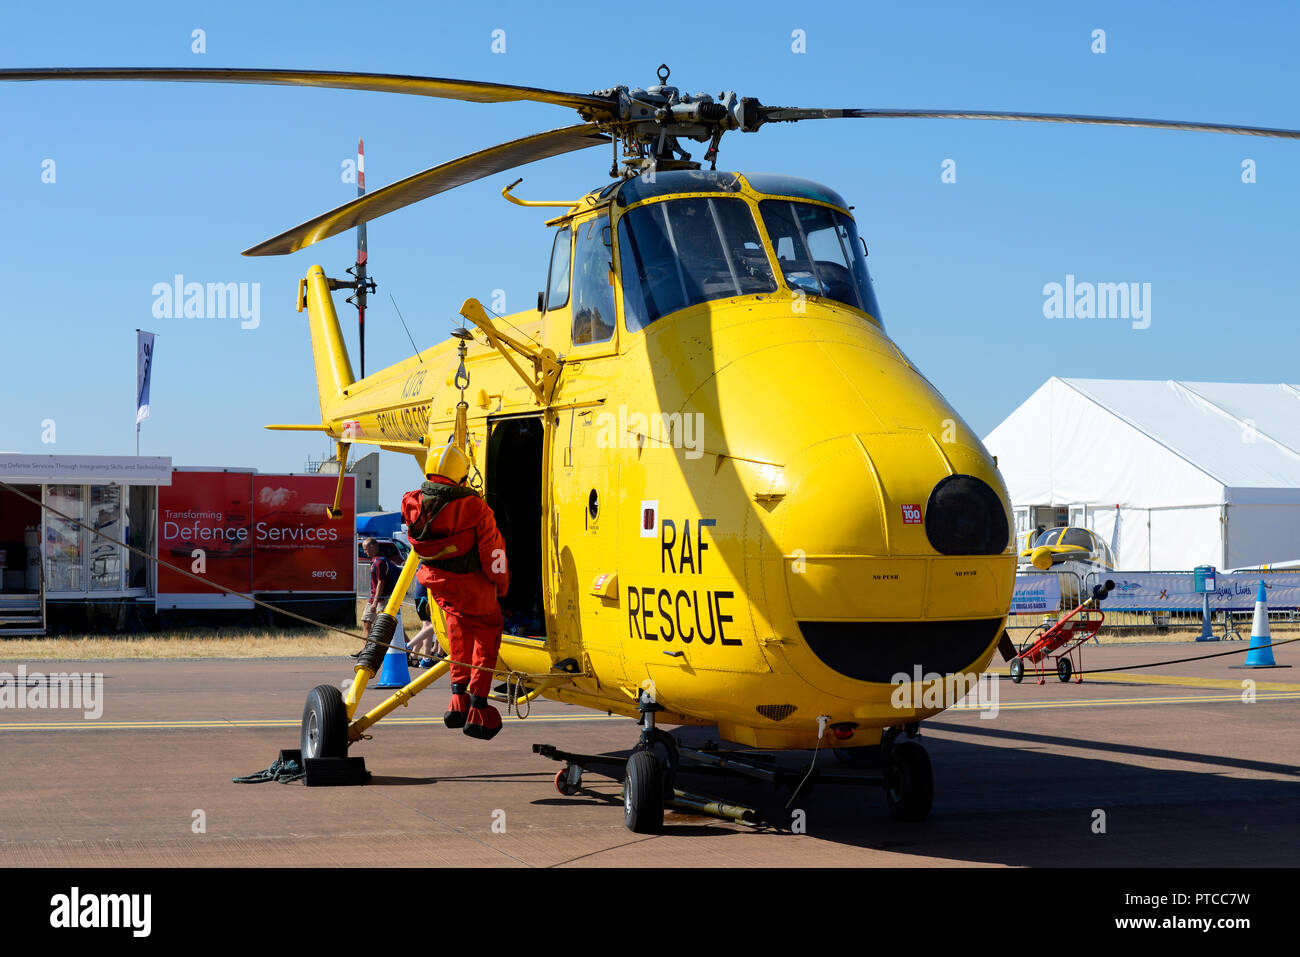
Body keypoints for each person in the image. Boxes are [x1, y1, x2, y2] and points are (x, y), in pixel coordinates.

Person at [401, 444, 510, 739]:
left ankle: (457, 697)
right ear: (462, 477)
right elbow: (494, 553)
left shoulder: (411, 503)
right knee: (487, 635)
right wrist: (502, 585)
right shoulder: (475, 508)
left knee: (458, 635)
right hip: (475, 589)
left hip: (439, 587)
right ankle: (478, 706)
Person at [405, 581, 443, 667]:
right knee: (434, 625)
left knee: (426, 628)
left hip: (422, 595)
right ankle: (409, 646)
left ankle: (417, 656)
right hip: (426, 596)